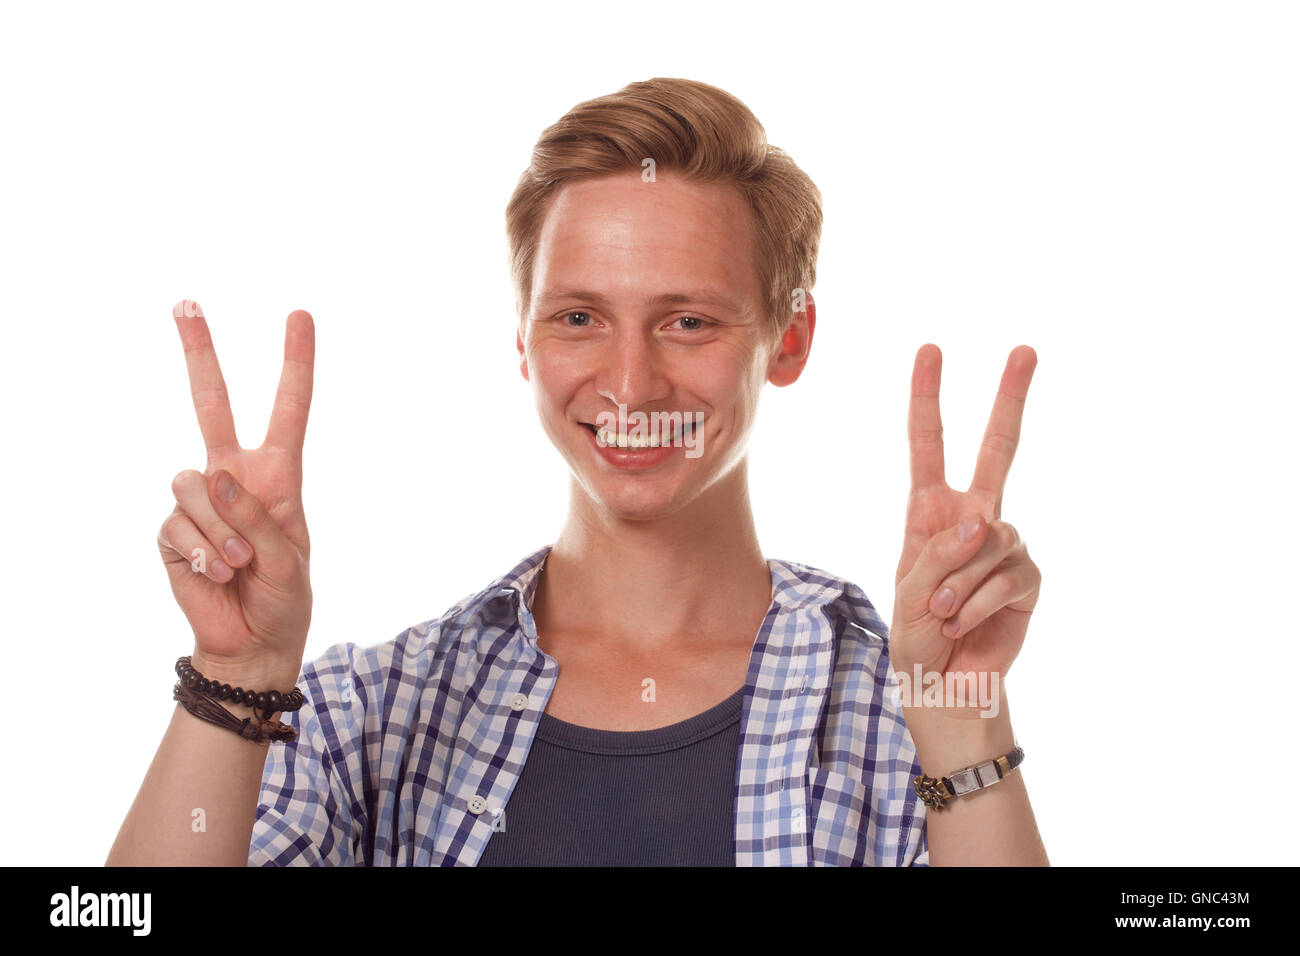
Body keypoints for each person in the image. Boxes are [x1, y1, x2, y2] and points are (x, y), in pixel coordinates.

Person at [108, 77, 1048, 867]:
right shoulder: (371, 713)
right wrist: (234, 677)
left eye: (688, 320)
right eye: (579, 317)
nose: (631, 382)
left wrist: (960, 722)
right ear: (524, 342)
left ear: (788, 338)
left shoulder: (895, 714)